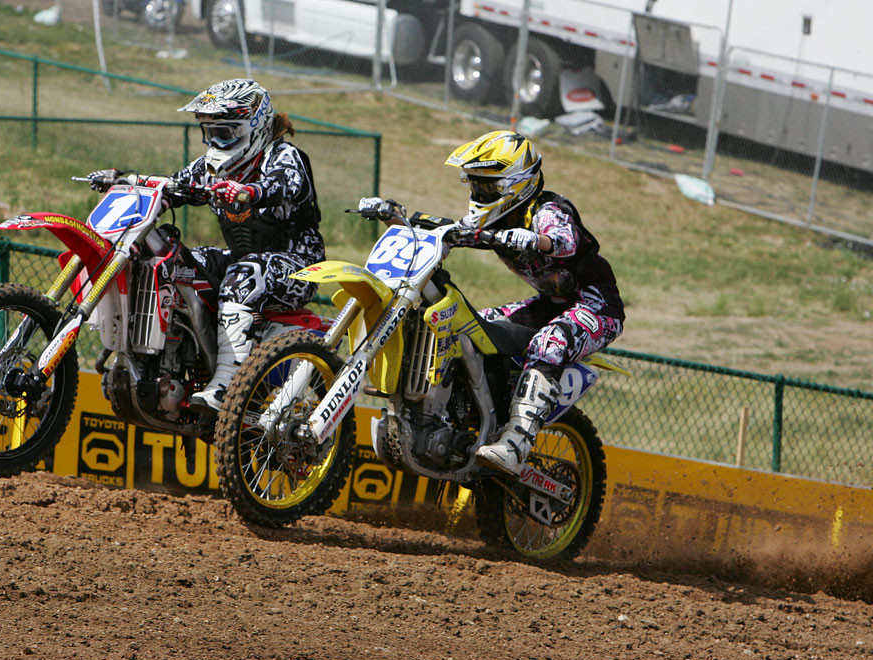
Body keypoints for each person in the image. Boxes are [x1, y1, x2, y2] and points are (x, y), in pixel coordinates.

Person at [362, 129, 624, 477]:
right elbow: (444, 233)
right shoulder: (492, 217)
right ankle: (465, 416)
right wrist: (393, 218)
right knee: (471, 327)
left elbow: (566, 240)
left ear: (517, 185)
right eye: (475, 186)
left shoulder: (546, 210)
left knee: (550, 343)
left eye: (487, 187)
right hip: (549, 304)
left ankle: (515, 445)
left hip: (596, 305)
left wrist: (536, 239)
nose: (479, 194)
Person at [90, 78, 324, 413]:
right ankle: (159, 362)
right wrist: (130, 181)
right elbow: (174, 185)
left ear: (253, 127)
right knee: (176, 264)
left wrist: (250, 192)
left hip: (299, 266)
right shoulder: (211, 166)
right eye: (210, 133)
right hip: (242, 258)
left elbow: (286, 184)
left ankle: (228, 383)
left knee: (244, 274)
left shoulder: (283, 155)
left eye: (224, 134)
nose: (215, 142)